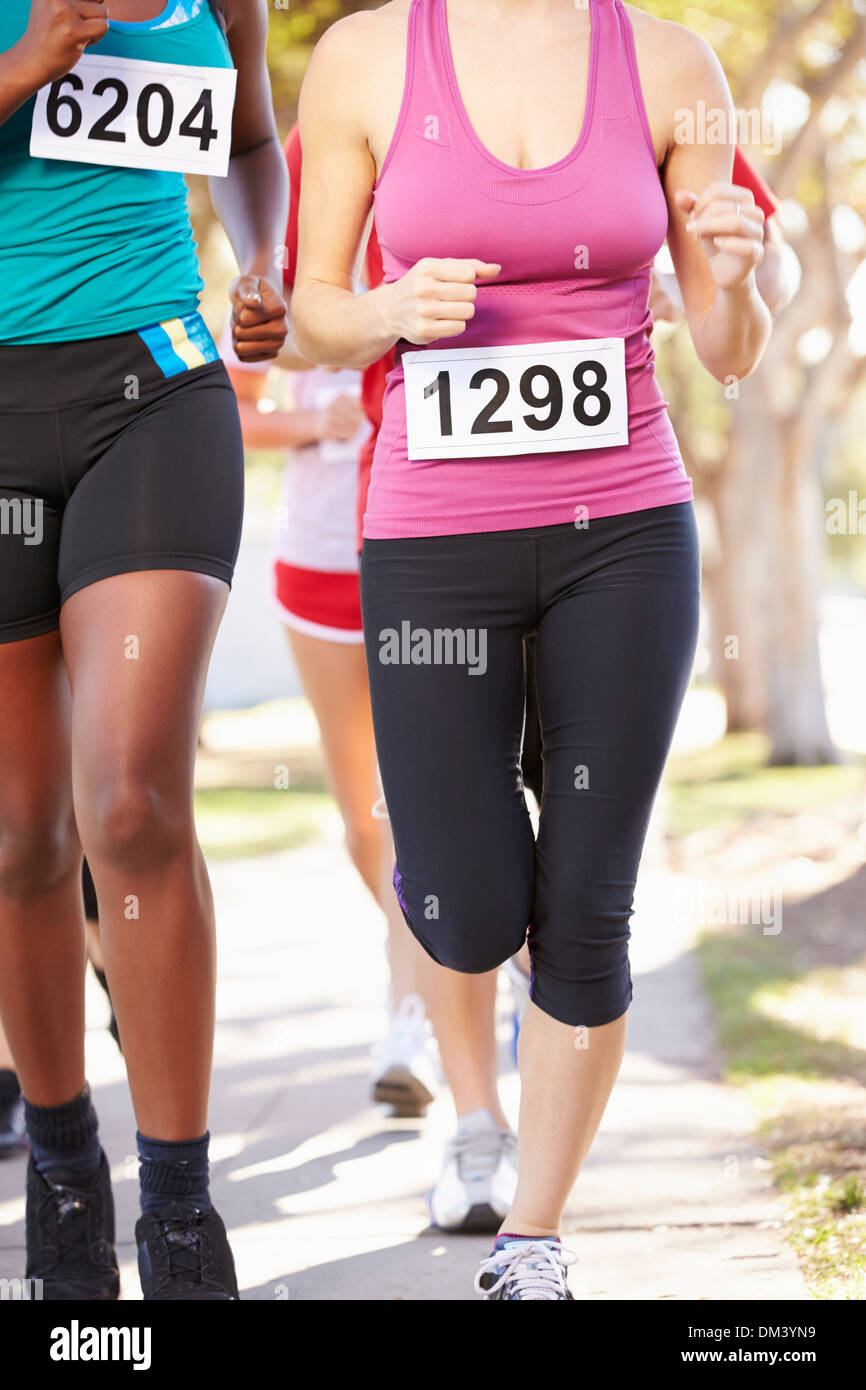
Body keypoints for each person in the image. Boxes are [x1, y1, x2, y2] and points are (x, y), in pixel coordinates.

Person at [292, 0, 771, 1299]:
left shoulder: (671, 62)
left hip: (624, 531)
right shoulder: (367, 58)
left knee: (584, 906)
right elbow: (313, 315)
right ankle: (472, 1087)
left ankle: (533, 1238)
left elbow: (726, 348)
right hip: (432, 538)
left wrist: (731, 282)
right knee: (463, 904)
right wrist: (388, 305)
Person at [0, 0, 288, 1300]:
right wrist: (25, 65)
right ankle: (64, 1170)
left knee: (129, 799)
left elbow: (248, 138)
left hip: (157, 390)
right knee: (17, 834)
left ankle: (178, 1214)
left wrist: (261, 254)